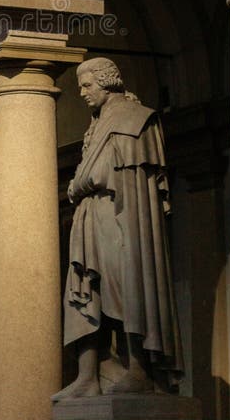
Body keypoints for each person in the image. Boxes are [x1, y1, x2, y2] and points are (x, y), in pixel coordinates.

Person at [53, 57, 183, 399]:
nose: (81, 92)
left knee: (125, 287)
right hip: (91, 217)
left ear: (108, 81)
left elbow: (117, 178)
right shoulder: (96, 124)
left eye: (87, 84)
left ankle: (139, 368)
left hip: (122, 217)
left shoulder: (135, 119)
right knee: (86, 292)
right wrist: (82, 185)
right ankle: (87, 375)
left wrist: (79, 184)